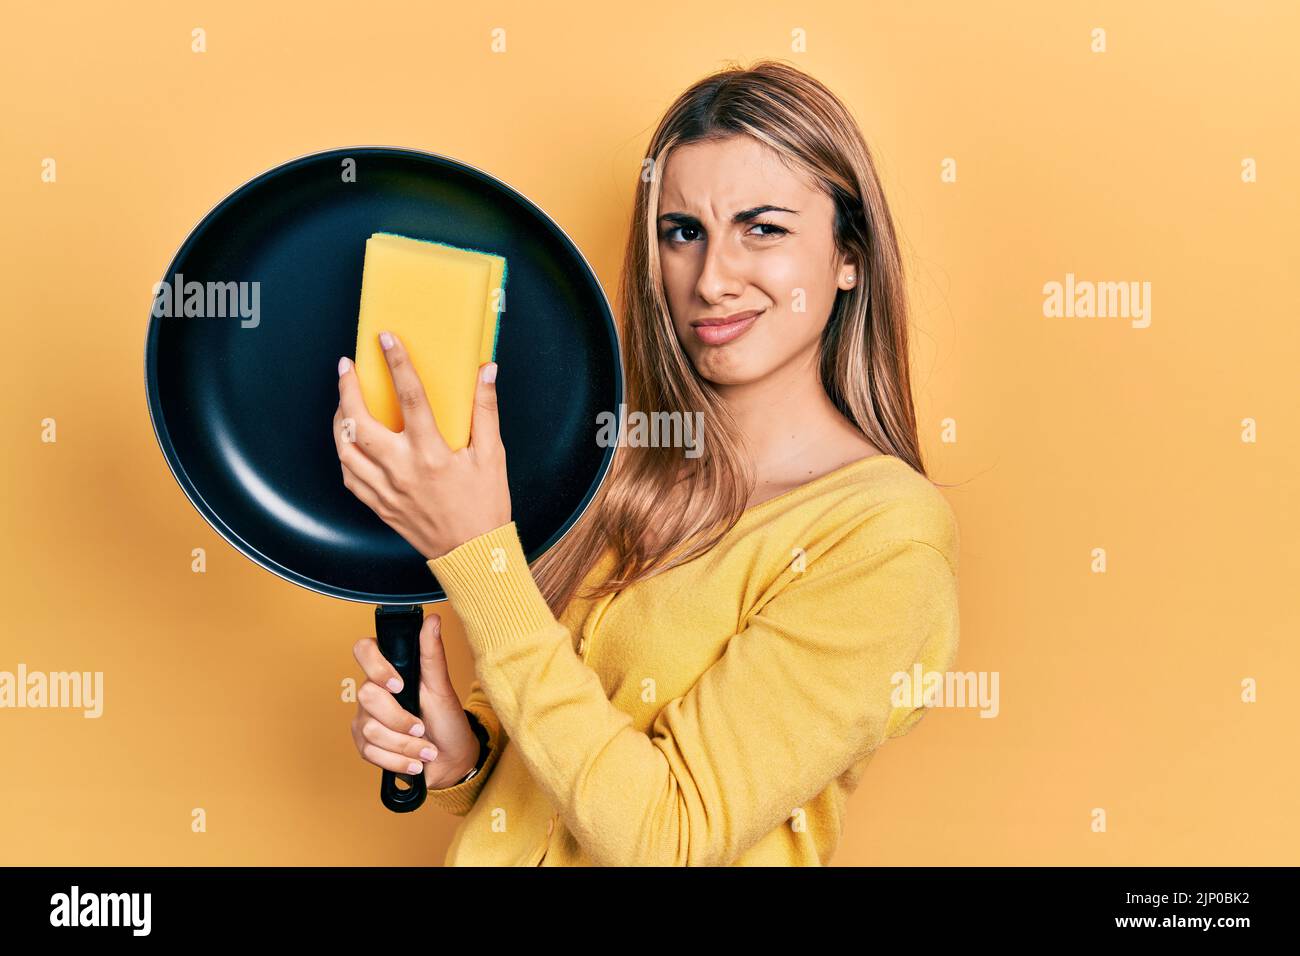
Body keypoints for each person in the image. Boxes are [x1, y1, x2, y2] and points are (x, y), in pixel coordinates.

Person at [334, 59, 960, 866]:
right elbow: (564, 737)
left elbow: (667, 837)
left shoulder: (883, 539)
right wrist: (468, 754)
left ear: (850, 258)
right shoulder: (623, 464)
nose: (712, 278)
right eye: (682, 233)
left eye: (762, 228)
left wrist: (481, 559)